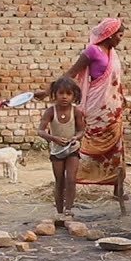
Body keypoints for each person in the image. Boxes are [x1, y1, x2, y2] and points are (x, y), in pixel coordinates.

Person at [37, 17, 129, 202]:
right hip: (95, 108)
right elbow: (71, 73)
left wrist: (122, 96)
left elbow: (115, 80)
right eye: (119, 35)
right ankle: (71, 182)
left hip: (113, 109)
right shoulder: (92, 51)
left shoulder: (113, 53)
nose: (120, 39)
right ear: (109, 34)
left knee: (117, 148)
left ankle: (118, 189)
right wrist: (48, 91)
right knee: (86, 144)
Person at [38, 77, 86, 219]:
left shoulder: (76, 112)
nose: (64, 97)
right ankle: (59, 211)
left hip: (72, 149)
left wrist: (75, 138)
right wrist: (54, 138)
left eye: (68, 94)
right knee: (59, 180)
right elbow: (40, 131)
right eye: (61, 93)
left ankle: (68, 209)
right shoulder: (50, 111)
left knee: (71, 178)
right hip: (57, 150)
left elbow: (81, 130)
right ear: (55, 95)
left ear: (74, 96)